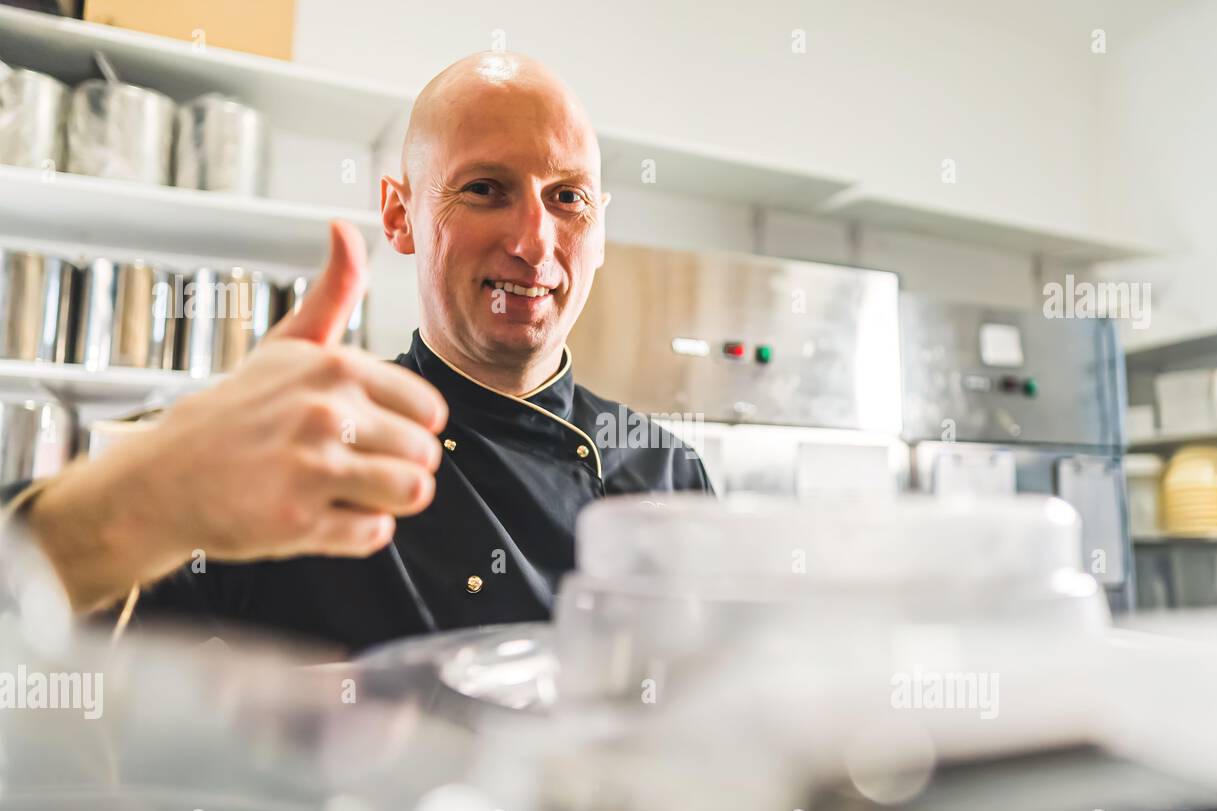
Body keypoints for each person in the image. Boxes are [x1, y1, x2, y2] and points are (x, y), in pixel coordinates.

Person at [3, 51, 712, 656]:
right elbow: (51, 655)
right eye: (486, 189)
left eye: (567, 197)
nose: (533, 242)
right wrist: (147, 497)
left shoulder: (667, 473)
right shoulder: (306, 444)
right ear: (400, 215)